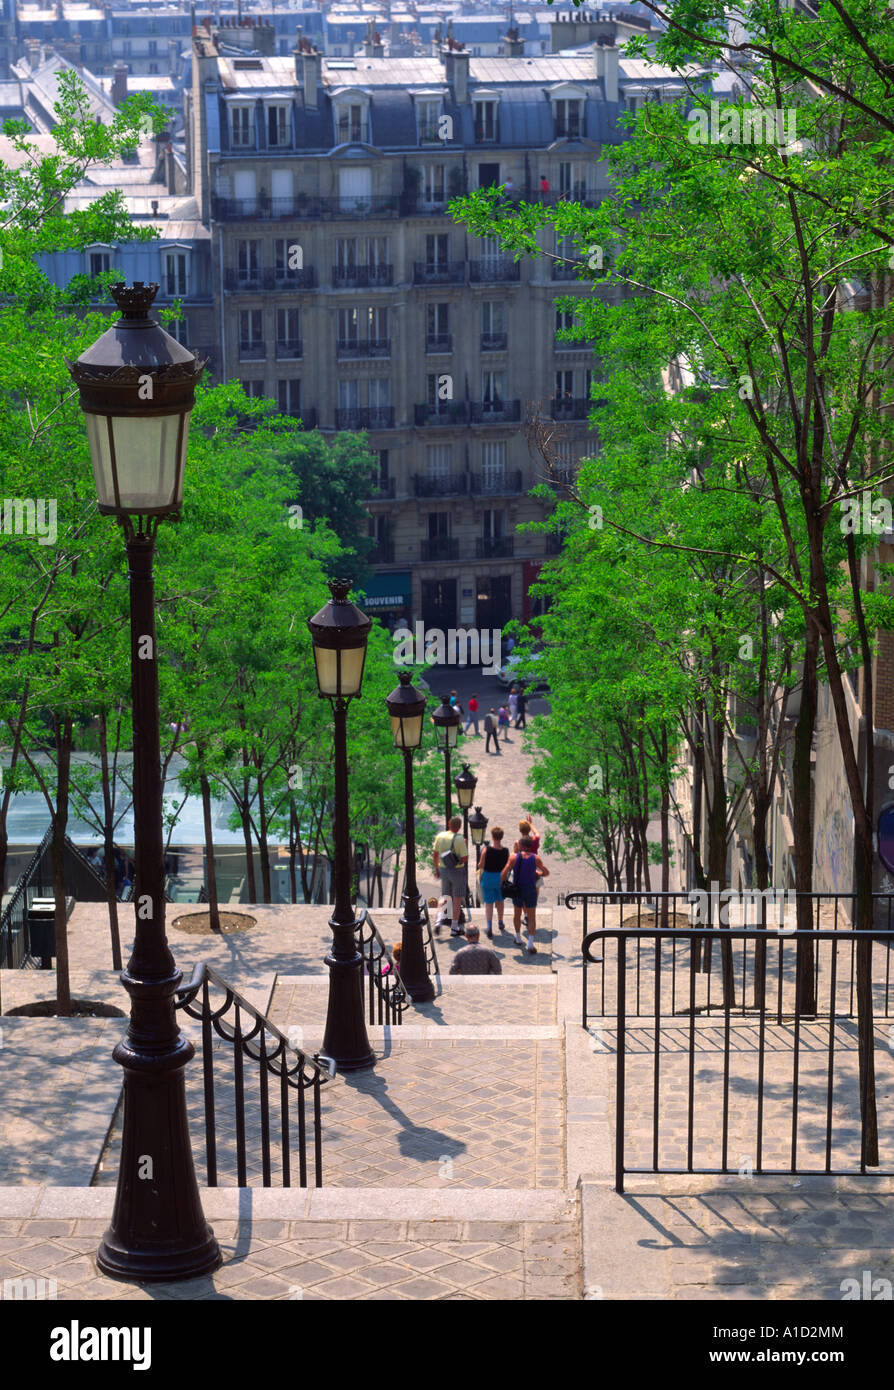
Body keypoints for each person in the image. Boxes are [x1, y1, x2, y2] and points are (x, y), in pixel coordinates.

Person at [502, 836, 549, 954]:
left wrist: (502, 883)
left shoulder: (513, 857)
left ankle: (518, 938)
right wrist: (537, 872)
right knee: (531, 916)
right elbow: (546, 872)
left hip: (517, 889)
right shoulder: (535, 858)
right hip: (531, 889)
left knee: (517, 914)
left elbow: (505, 872)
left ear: (521, 846)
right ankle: (531, 943)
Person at [432, 816, 469, 936]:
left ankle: (438, 920)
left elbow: (435, 854)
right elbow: (464, 858)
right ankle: (454, 927)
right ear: (459, 827)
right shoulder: (459, 839)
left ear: (449, 824)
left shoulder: (440, 836)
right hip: (456, 871)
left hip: (443, 869)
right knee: (457, 898)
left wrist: (436, 868)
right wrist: (457, 860)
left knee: (445, 896)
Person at [478, 826, 509, 936]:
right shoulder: (505, 851)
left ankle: (489, 926)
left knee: (489, 903)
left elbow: (481, 865)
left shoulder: (487, 850)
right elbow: (507, 866)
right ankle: (500, 921)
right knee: (500, 901)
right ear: (501, 837)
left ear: (492, 836)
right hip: (500, 878)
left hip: (488, 878)